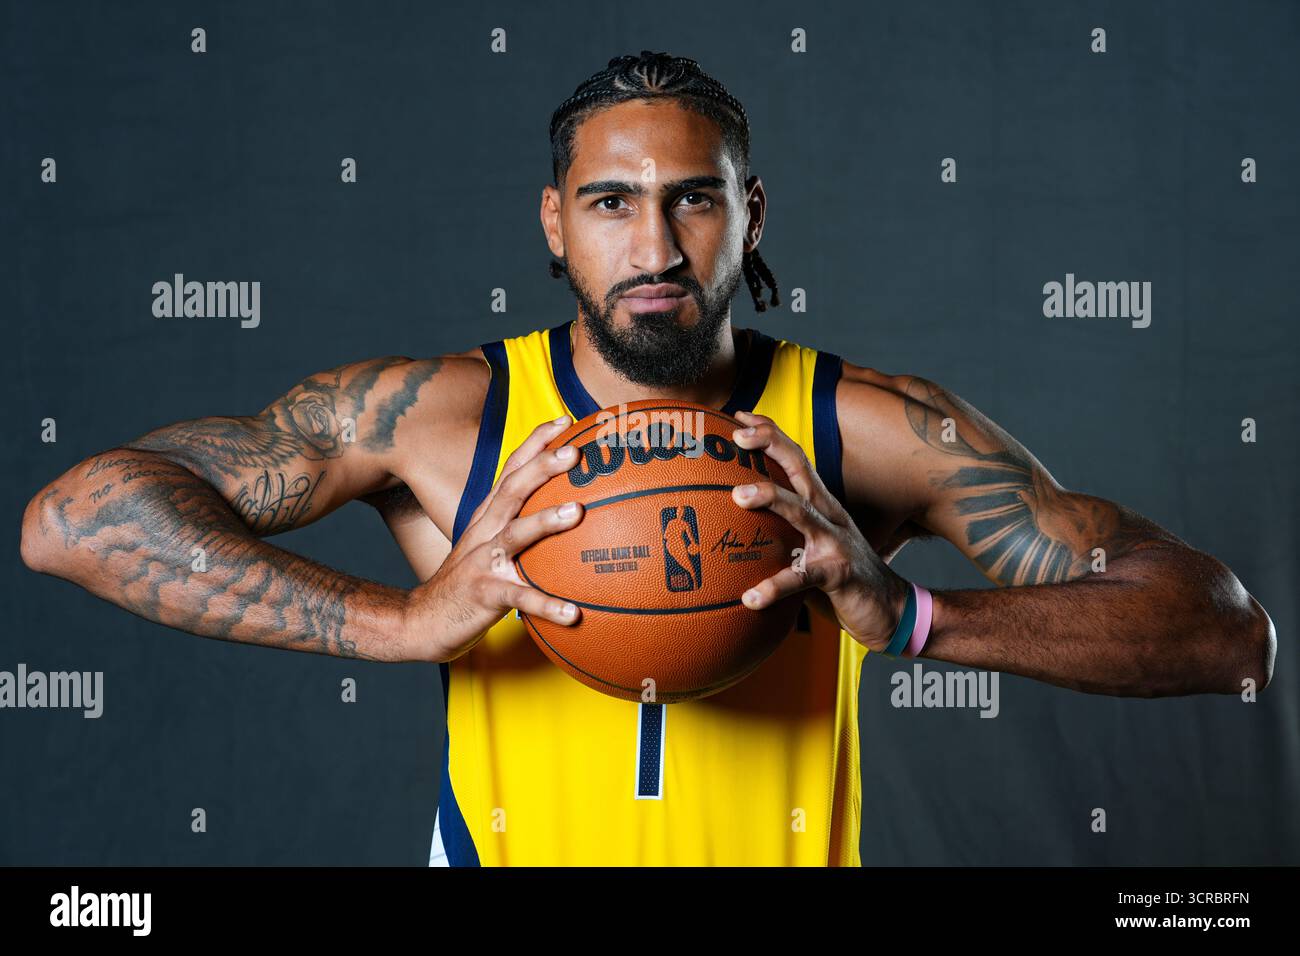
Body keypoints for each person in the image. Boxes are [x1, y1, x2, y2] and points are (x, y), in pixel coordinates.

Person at [20, 51, 1275, 867]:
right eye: (613, 202)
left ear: (750, 213)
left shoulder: (868, 428)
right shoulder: (437, 415)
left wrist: (911, 615)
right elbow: (73, 519)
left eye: (694, 197)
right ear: (555, 221)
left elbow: (1227, 637)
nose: (657, 243)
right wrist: (399, 619)